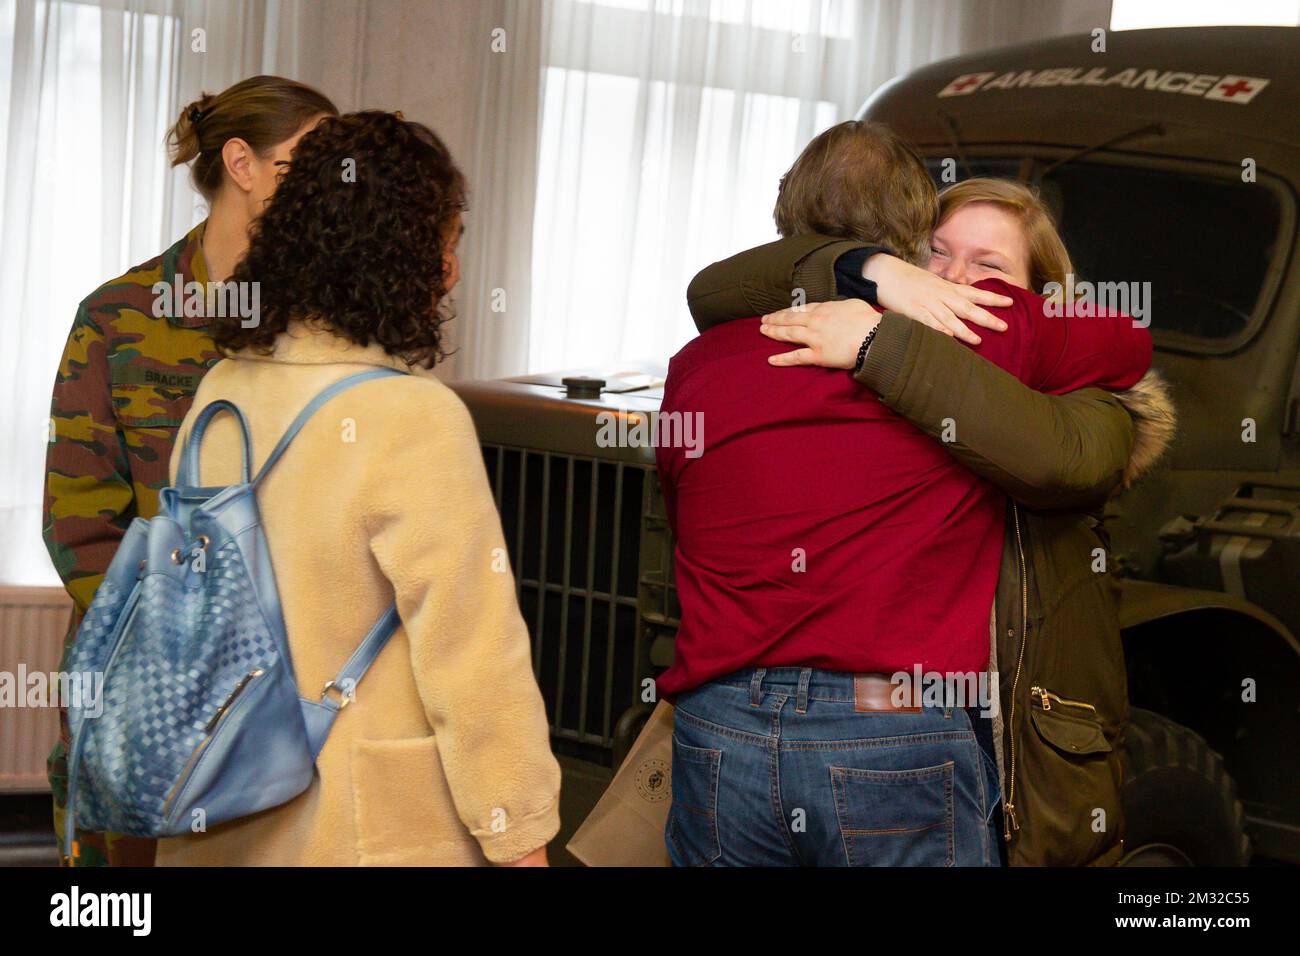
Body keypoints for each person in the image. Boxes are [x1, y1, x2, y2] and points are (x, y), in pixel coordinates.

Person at [657, 122, 1155, 867]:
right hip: (889, 727)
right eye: (938, 258)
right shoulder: (983, 330)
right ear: (912, 237)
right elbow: (1128, 340)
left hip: (718, 725)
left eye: (988, 266)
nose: (954, 282)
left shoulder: (696, 360)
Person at [154, 111, 561, 866]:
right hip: (366, 831)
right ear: (401, 254)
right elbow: (473, 658)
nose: (455, 268)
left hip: (218, 818)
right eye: (449, 241)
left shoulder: (220, 393)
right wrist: (522, 839)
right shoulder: (414, 417)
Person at [44, 75, 338, 867]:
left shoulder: (330, 326)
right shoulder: (119, 316)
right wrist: (177, 648)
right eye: (305, 166)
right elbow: (78, 519)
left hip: (284, 688)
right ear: (241, 164)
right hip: (139, 682)